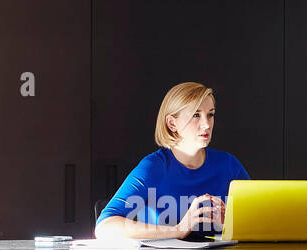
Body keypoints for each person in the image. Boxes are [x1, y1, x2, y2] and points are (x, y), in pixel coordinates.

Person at [95, 81, 250, 240]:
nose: (206, 125)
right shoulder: (153, 167)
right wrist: (178, 230)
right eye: (196, 115)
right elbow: (105, 226)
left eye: (210, 114)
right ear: (172, 123)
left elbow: (257, 221)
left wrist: (230, 225)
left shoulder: (229, 165)